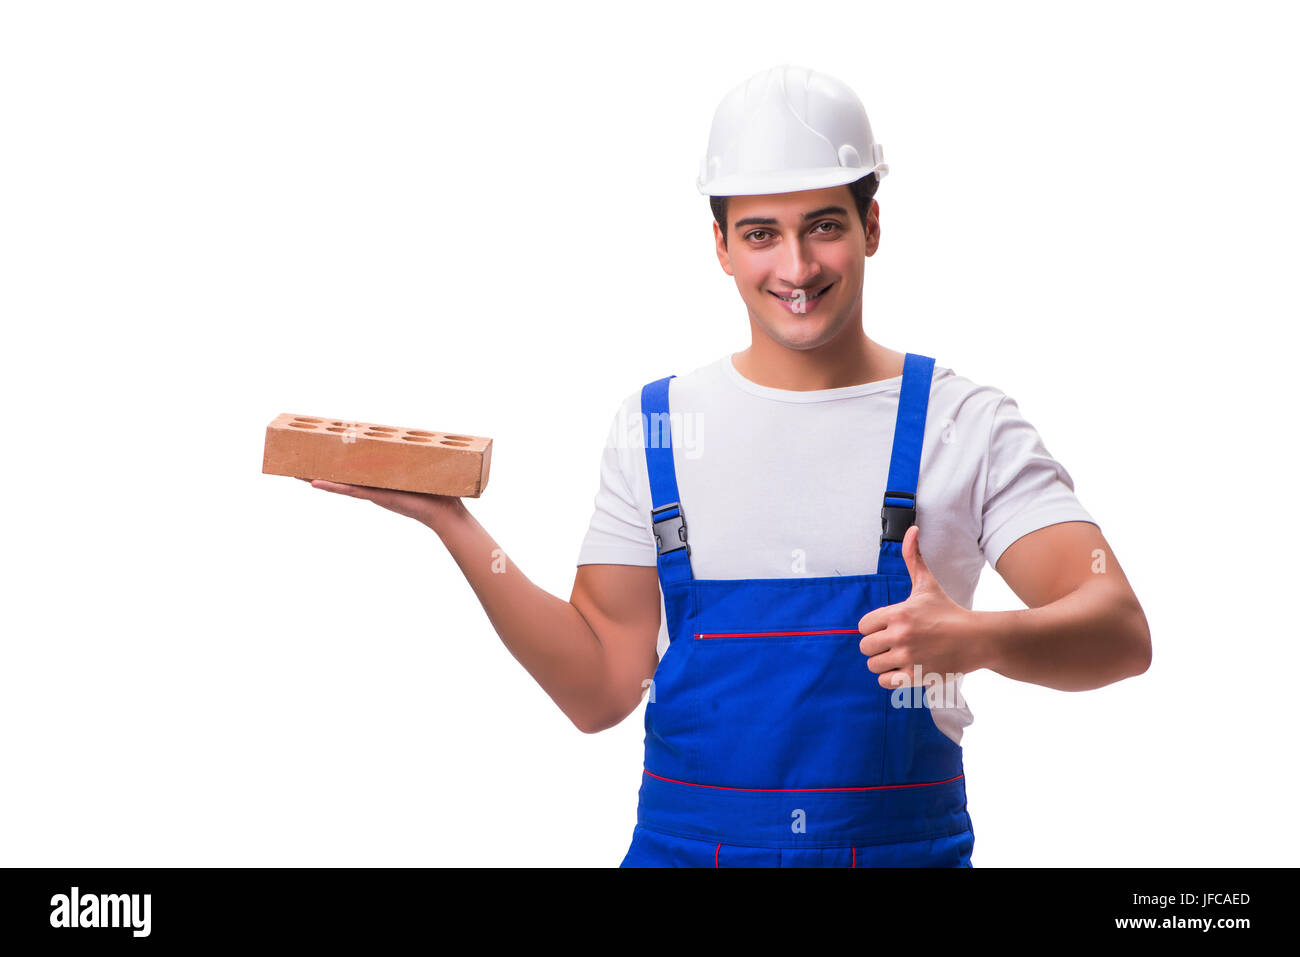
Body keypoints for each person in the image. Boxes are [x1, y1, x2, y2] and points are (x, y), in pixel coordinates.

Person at [302, 64, 1152, 868]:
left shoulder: (963, 421)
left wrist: (980, 640)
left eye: (824, 224)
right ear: (720, 245)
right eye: (761, 234)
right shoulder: (659, 427)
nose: (796, 267)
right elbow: (600, 688)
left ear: (873, 226)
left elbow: (1119, 629)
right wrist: (455, 526)